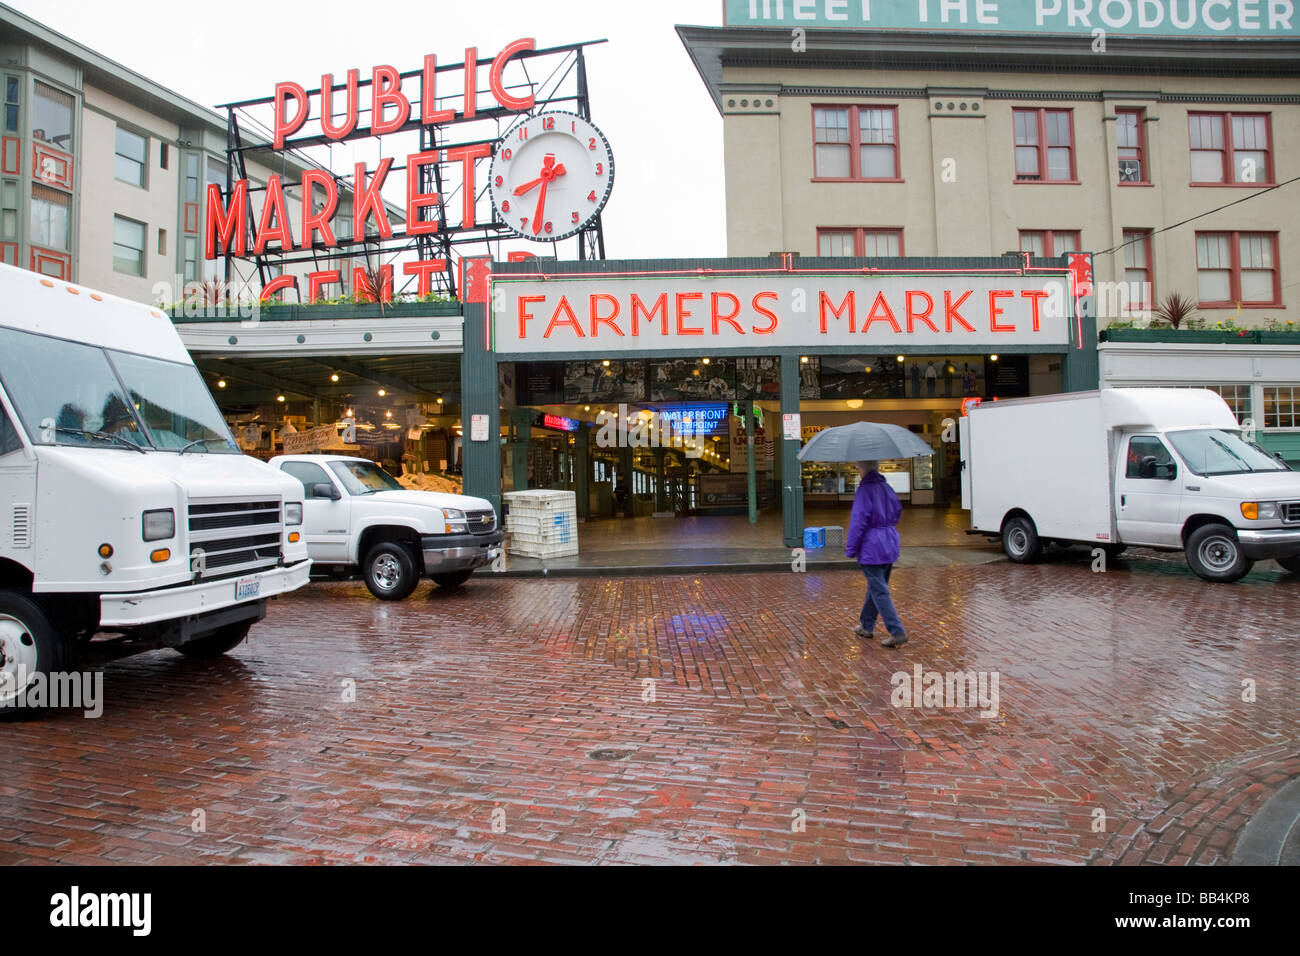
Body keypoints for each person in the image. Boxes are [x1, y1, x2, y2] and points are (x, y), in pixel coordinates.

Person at [845, 460, 907, 648]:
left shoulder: (865, 490)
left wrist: (851, 548)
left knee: (879, 590)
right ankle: (866, 625)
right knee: (876, 587)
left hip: (872, 546)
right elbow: (897, 511)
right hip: (889, 542)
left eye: (858, 468)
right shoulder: (886, 487)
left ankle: (896, 631)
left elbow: (858, 521)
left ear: (862, 470)